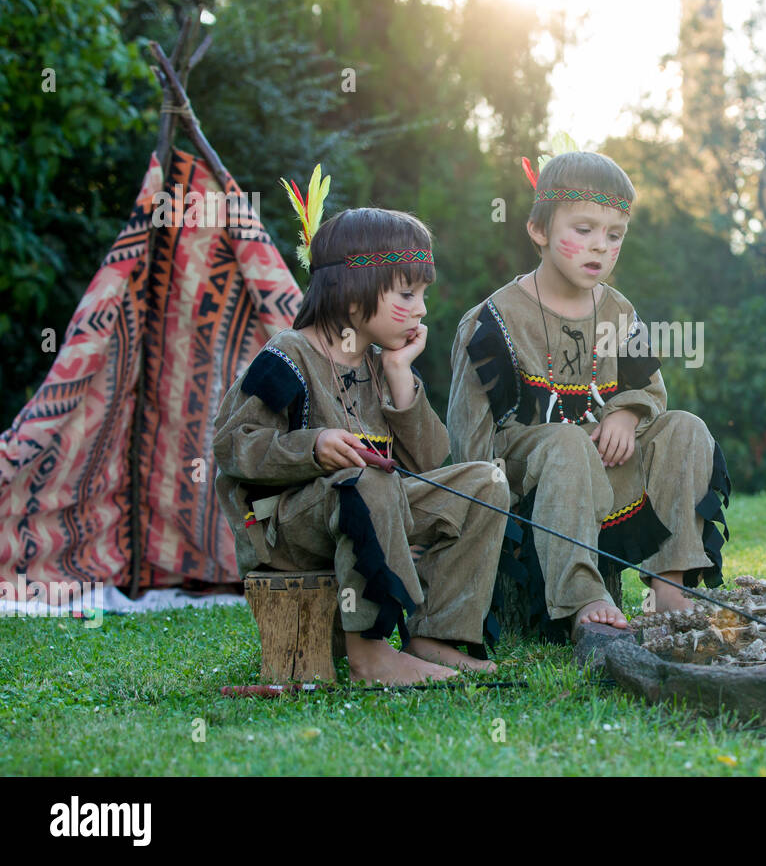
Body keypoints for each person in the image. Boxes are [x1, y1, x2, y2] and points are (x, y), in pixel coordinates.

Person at [213, 196, 509, 686]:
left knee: (484, 482)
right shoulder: (288, 357)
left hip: (377, 503)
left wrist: (399, 375)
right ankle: (370, 655)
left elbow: (431, 460)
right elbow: (233, 445)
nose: (421, 310)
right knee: (364, 481)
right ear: (354, 295)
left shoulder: (377, 361)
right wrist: (312, 446)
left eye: (422, 296)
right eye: (407, 295)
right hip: (291, 528)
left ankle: (434, 634)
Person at [447, 150, 730, 640]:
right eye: (582, 230)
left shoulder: (620, 311)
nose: (599, 246)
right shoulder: (492, 321)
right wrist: (479, 515)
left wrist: (625, 413)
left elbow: (650, 391)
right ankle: (582, 597)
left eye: (613, 235)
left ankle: (670, 586)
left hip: (604, 477)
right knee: (566, 441)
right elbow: (468, 436)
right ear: (539, 230)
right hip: (527, 488)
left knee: (687, 427)